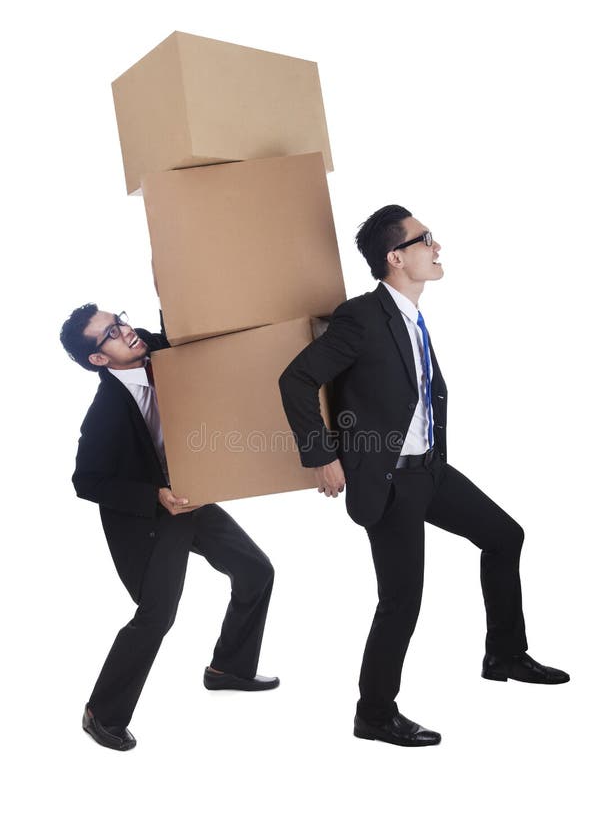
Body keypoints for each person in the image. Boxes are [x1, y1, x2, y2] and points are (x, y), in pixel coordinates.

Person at [279, 204, 569, 748]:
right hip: (388, 480)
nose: (436, 247)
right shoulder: (362, 317)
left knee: (505, 536)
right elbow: (296, 379)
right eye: (425, 239)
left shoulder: (409, 315)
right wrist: (321, 455)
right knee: (402, 600)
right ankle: (374, 714)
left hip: (430, 470)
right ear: (395, 257)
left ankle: (504, 653)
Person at [60, 304, 279, 751]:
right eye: (111, 334)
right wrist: (154, 497)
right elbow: (86, 481)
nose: (126, 331)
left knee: (256, 571)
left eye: (119, 319)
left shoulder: (151, 346)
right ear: (98, 360)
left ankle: (228, 668)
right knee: (157, 616)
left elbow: (185, 330)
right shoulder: (105, 411)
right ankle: (101, 712)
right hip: (151, 518)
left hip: (191, 494)